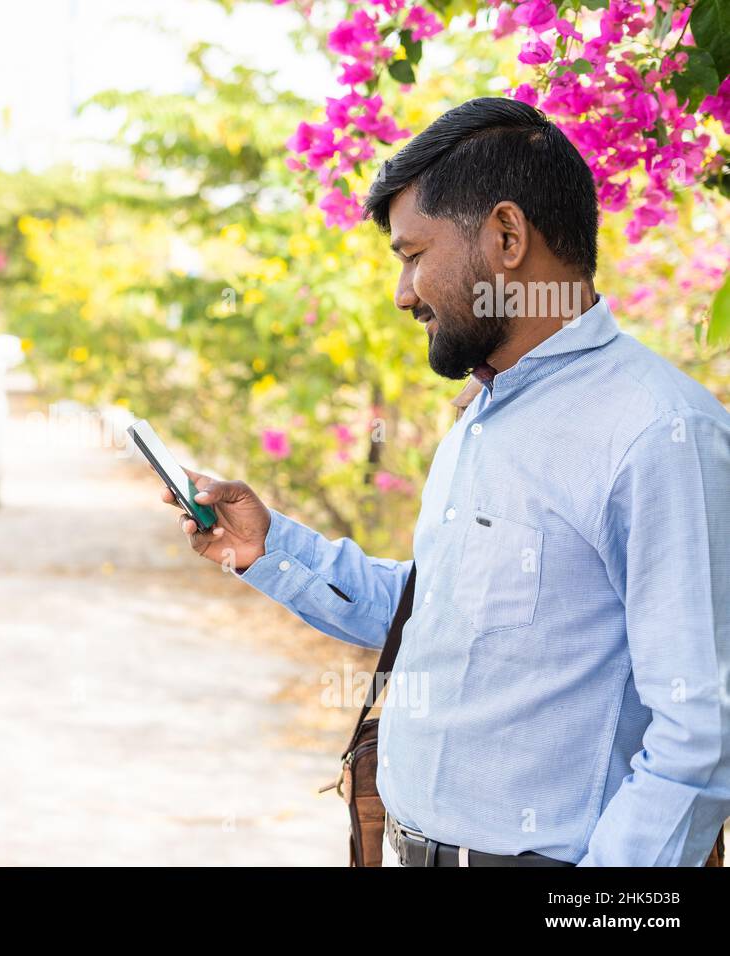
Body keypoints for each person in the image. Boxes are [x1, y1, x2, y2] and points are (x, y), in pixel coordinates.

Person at [162, 97, 730, 866]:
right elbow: (433, 617)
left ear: (506, 237)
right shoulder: (481, 416)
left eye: (413, 254)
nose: (403, 294)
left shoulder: (659, 433)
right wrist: (270, 550)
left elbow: (702, 734)